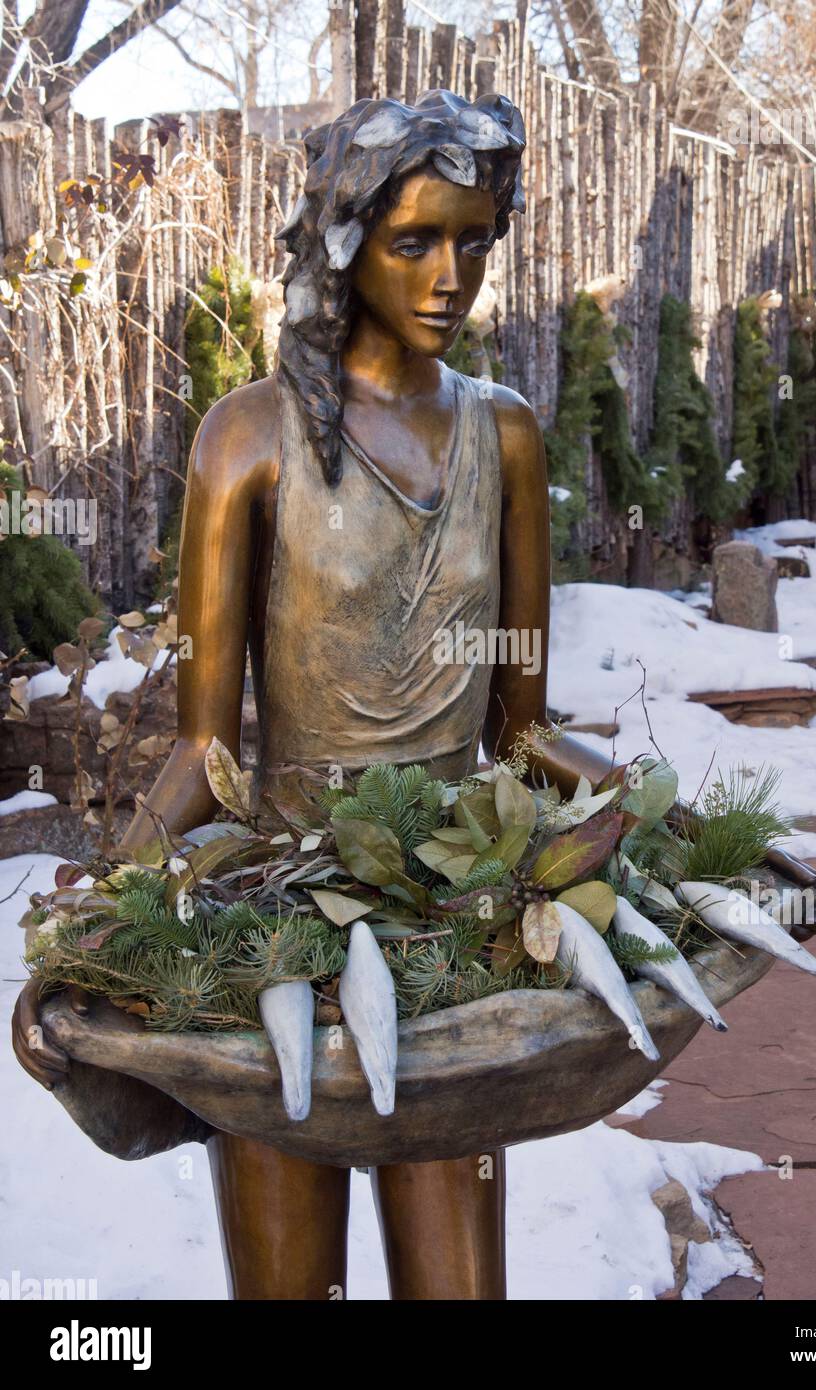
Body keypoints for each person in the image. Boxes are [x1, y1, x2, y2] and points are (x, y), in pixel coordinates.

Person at [12, 89, 622, 1300]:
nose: (452, 275)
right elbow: (204, 750)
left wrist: (630, 803)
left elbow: (521, 727)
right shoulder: (249, 442)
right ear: (347, 245)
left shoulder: (504, 438)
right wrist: (96, 922)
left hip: (457, 924)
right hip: (278, 920)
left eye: (476, 242)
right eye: (416, 242)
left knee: (460, 1282)